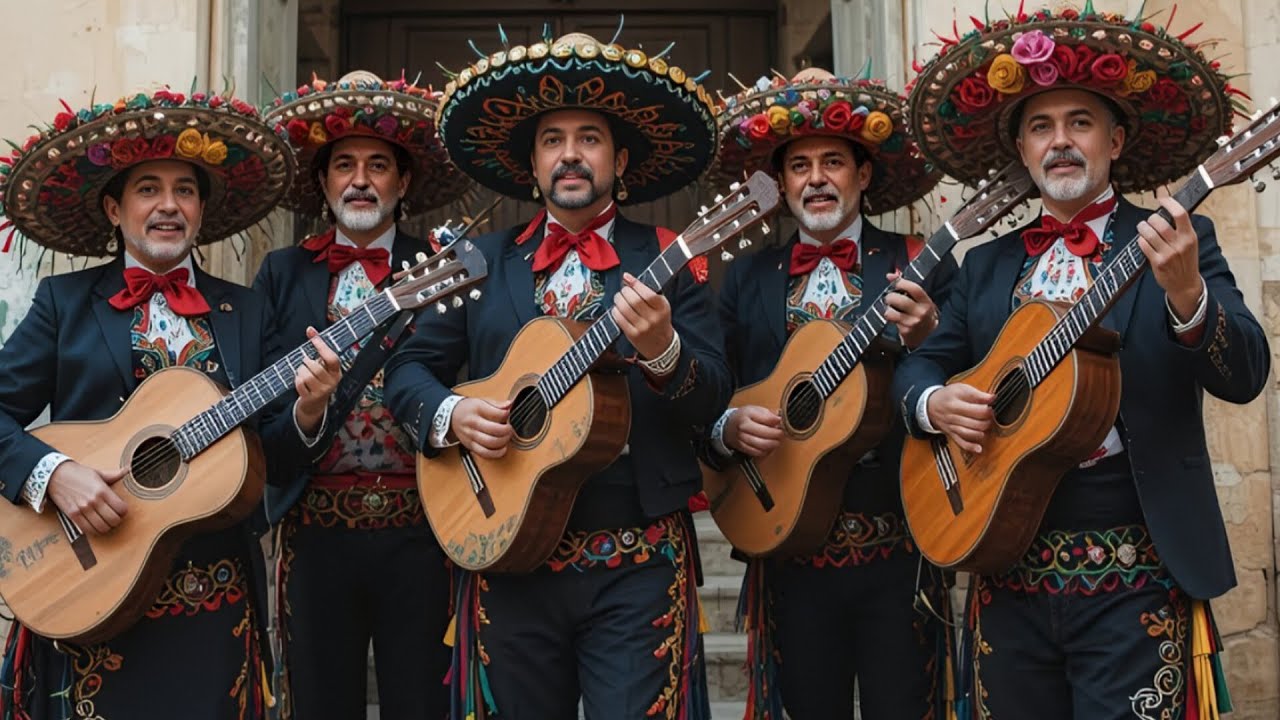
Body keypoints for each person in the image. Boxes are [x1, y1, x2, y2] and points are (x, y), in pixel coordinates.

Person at [896, 6, 1269, 718]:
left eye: (1080, 122)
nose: (1060, 141)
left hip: (1137, 566)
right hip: (1004, 553)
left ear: (1116, 140)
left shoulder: (1183, 240)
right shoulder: (985, 266)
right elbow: (920, 367)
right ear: (1024, 153)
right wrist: (933, 404)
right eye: (1040, 126)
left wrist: (1187, 293)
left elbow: (1246, 373)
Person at [383, 29, 730, 720]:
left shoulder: (667, 257)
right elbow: (409, 371)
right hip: (506, 541)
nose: (570, 153)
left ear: (620, 158)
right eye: (552, 140)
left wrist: (664, 350)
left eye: (589, 138)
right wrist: (453, 415)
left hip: (636, 549)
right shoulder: (481, 263)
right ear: (533, 166)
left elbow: (713, 394)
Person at [0, 87, 341, 719]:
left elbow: (275, 455)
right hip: (88, 585)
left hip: (213, 604)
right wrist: (55, 475)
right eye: (148, 188)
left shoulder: (247, 309)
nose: (168, 205)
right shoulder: (63, 303)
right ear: (114, 207)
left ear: (201, 211)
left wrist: (308, 412)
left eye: (185, 190)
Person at [707, 67, 955, 719]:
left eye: (834, 162)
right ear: (782, 183)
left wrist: (930, 334)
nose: (816, 178)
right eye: (800, 166)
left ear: (864, 175)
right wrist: (728, 429)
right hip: (786, 540)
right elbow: (711, 387)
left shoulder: (921, 258)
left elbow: (971, 375)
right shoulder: (747, 278)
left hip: (900, 542)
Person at [256, 69, 471, 719]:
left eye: (378, 165)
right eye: (343, 164)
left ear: (402, 184)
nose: (360, 178)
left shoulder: (444, 267)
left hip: (422, 533)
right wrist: (307, 409)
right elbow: (263, 418)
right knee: (321, 703)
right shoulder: (281, 273)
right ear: (322, 182)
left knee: (421, 702)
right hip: (316, 535)